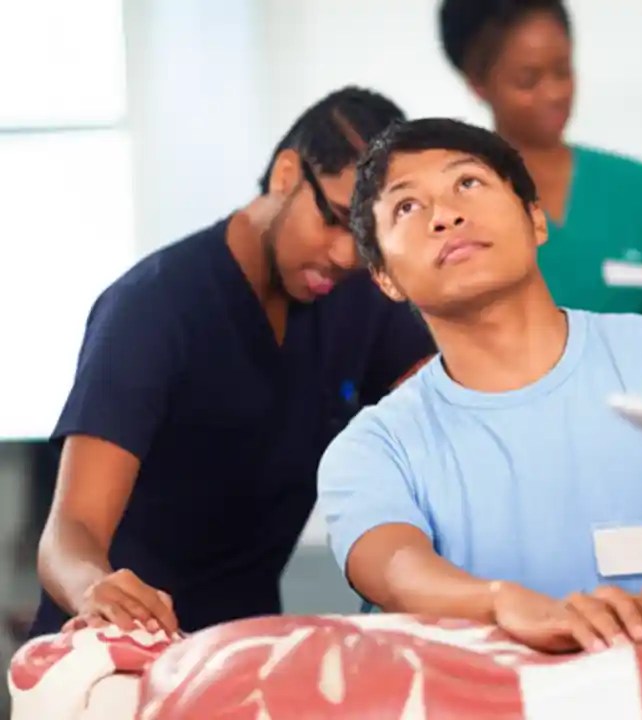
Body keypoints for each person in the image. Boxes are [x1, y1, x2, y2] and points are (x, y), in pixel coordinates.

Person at [317, 118, 642, 720]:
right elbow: (394, 567)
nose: (444, 215)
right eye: (408, 207)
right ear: (385, 278)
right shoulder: (373, 447)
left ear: (536, 219)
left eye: (468, 183)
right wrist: (499, 603)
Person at [31, 87, 435, 639]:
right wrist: (92, 588)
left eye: (370, 239)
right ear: (288, 174)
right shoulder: (153, 308)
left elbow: (446, 417)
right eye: (336, 219)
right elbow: (68, 532)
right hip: (119, 644)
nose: (347, 255)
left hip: (238, 649)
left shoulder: (360, 300)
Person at [436, 0, 642, 336]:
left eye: (563, 70)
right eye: (528, 80)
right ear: (478, 83)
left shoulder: (638, 191)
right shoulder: (449, 203)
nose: (554, 93)